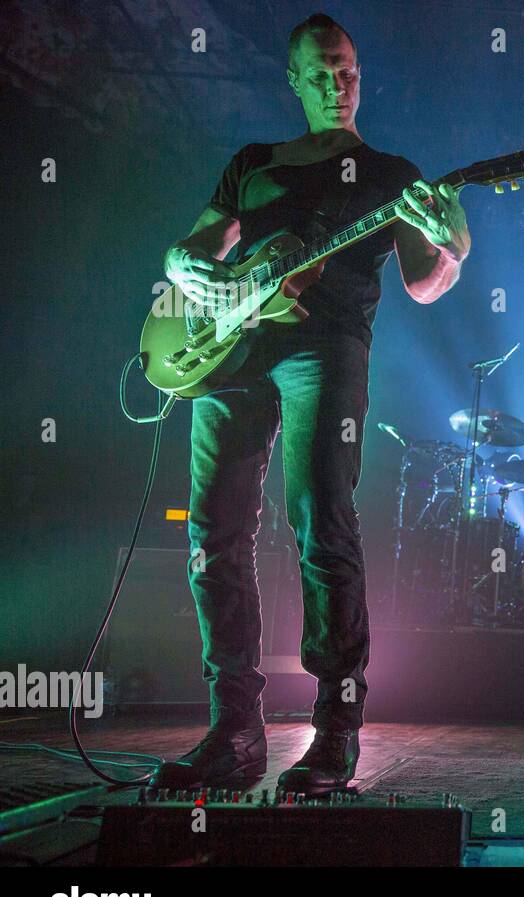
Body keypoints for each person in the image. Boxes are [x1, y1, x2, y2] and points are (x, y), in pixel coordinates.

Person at [151, 14, 471, 795]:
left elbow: (427, 284)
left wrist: (454, 241)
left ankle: (336, 730)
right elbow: (195, 248)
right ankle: (234, 731)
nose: (337, 83)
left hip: (325, 351)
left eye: (349, 70)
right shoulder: (254, 163)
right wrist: (193, 273)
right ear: (293, 79)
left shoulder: (393, 175)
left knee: (320, 518)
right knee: (213, 532)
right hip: (229, 357)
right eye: (322, 71)